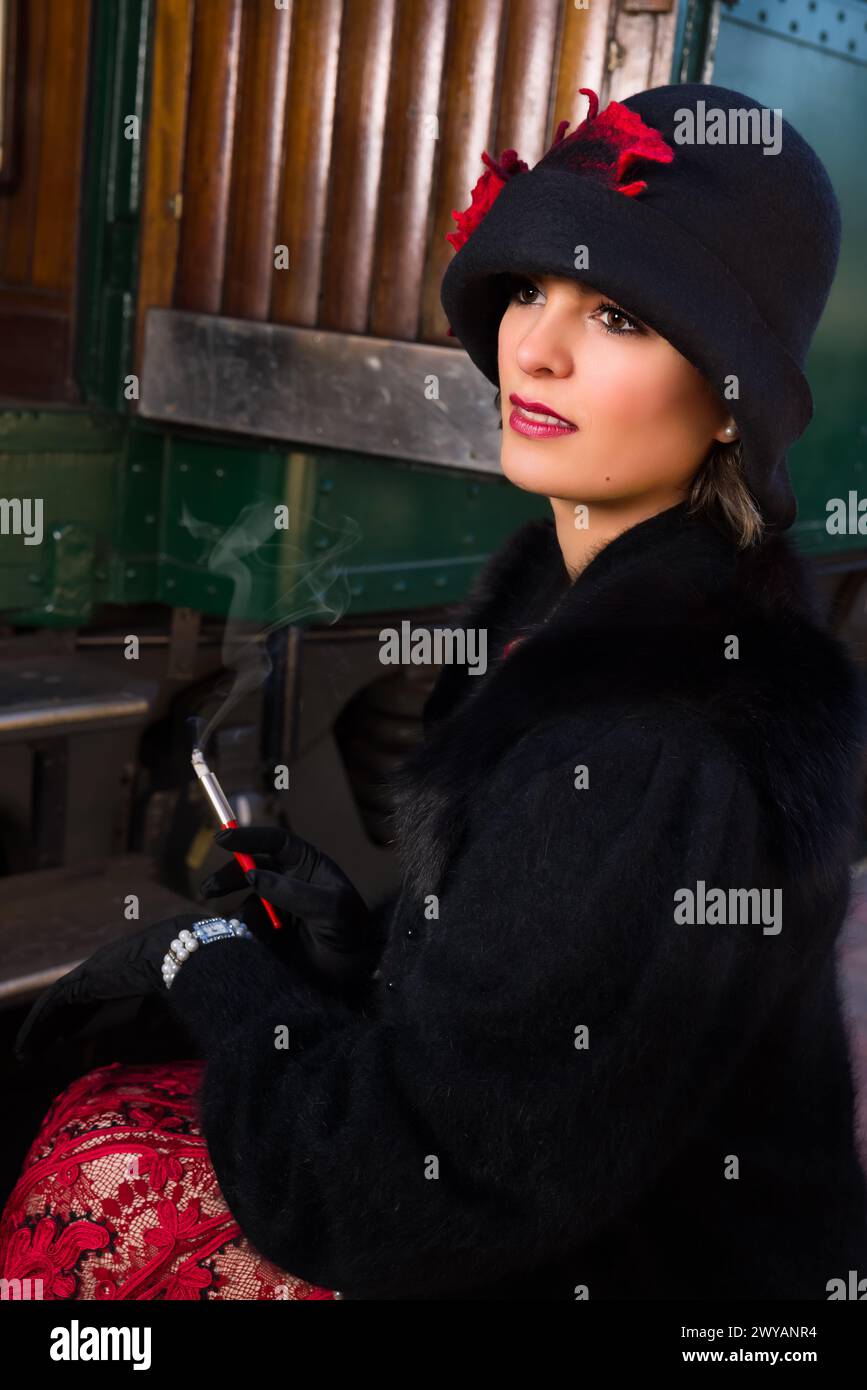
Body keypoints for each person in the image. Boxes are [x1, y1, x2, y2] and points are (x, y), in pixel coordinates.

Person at [4, 81, 867, 1301]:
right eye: (528, 289)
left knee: (91, 1187)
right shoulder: (594, 622)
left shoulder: (654, 741)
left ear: (729, 406)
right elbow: (540, 995)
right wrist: (353, 945)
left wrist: (213, 963)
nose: (536, 347)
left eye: (617, 314)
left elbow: (406, 1186)